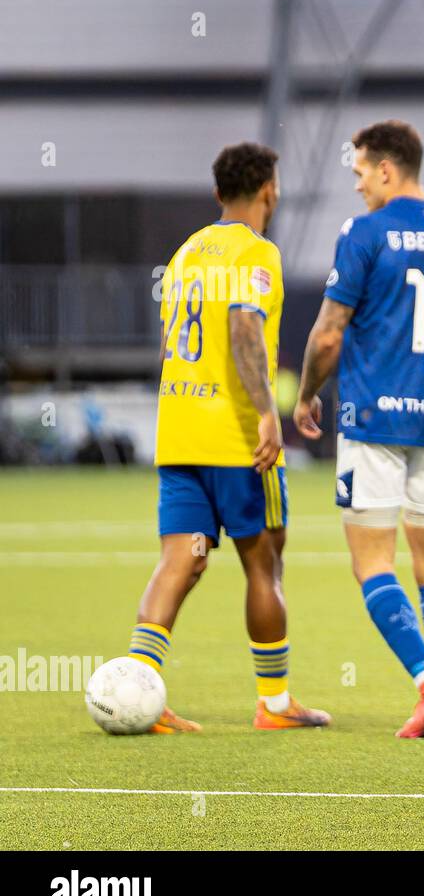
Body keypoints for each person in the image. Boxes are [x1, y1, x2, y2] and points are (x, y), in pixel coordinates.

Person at [293, 120, 424, 738]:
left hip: (373, 420)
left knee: (372, 564)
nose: (357, 185)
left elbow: (330, 332)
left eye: (360, 172)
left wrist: (307, 394)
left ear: (387, 169)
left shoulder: (363, 234)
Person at [134, 142, 331, 732]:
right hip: (236, 437)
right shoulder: (258, 253)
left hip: (178, 429)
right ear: (271, 190)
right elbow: (245, 327)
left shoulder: (186, 253)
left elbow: (172, 346)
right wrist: (267, 411)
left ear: (219, 193)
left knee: (179, 560)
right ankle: (274, 705)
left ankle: (139, 690)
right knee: (263, 562)